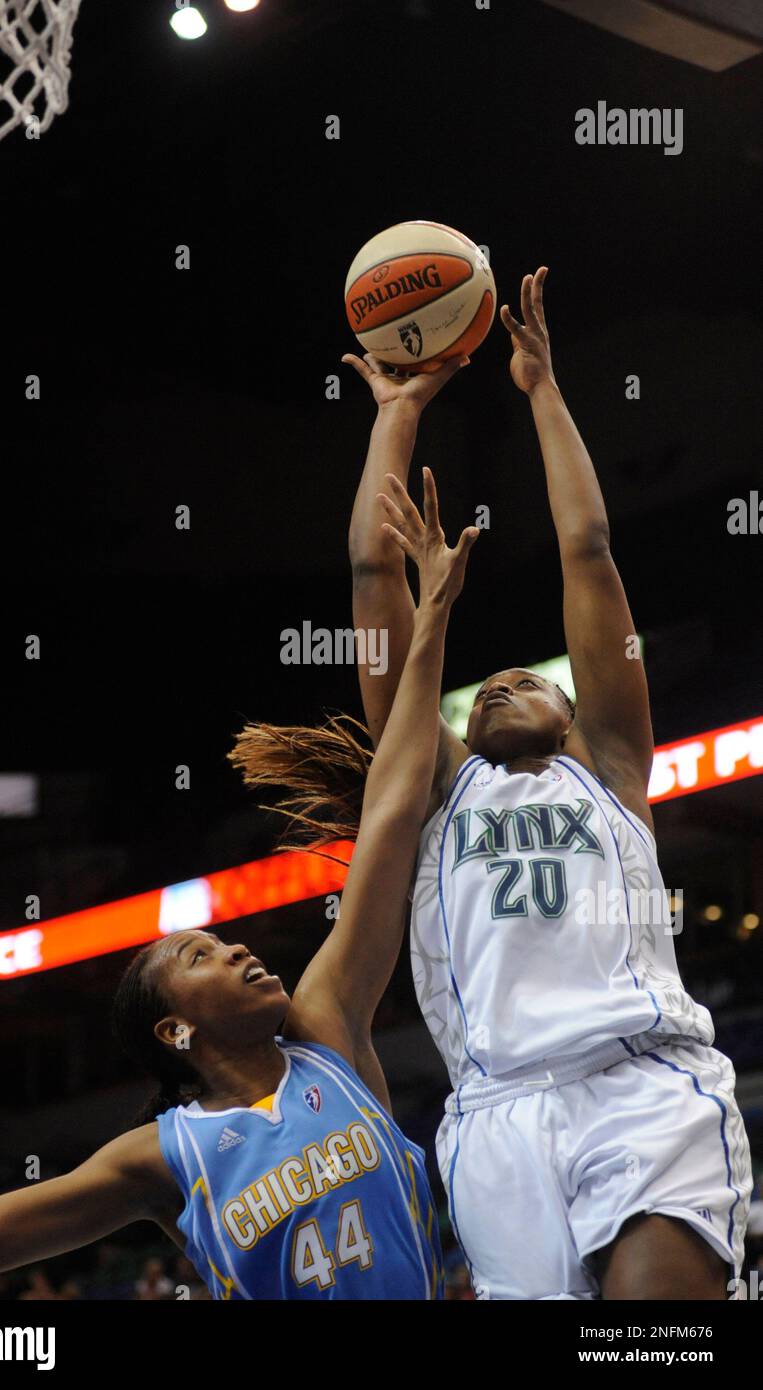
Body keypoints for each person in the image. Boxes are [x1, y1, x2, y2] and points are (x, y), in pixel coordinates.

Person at [0, 470, 475, 1302]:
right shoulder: (160, 1158)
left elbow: (390, 813)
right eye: (201, 955)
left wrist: (430, 625)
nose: (239, 947)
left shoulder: (327, 1030)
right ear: (174, 1029)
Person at [341, 265, 752, 1299]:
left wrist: (541, 388)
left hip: (638, 1087)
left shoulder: (610, 769)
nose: (503, 685)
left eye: (529, 678)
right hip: (494, 1120)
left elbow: (588, 548)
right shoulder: (437, 793)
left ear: (576, 714)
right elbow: (370, 578)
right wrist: (396, 415)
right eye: (482, 688)